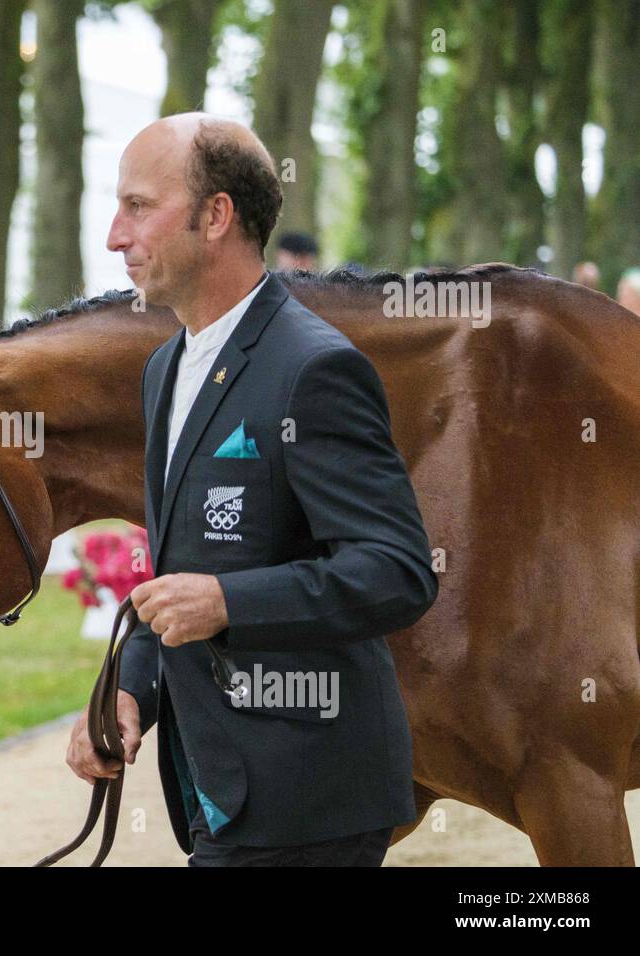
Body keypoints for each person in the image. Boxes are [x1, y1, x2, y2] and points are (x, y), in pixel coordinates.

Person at [74, 113, 438, 867]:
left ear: (216, 216)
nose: (115, 235)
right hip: (216, 787)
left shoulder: (314, 370)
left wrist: (229, 603)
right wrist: (130, 689)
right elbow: (178, 561)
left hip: (308, 798)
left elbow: (398, 570)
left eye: (139, 205)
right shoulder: (163, 370)